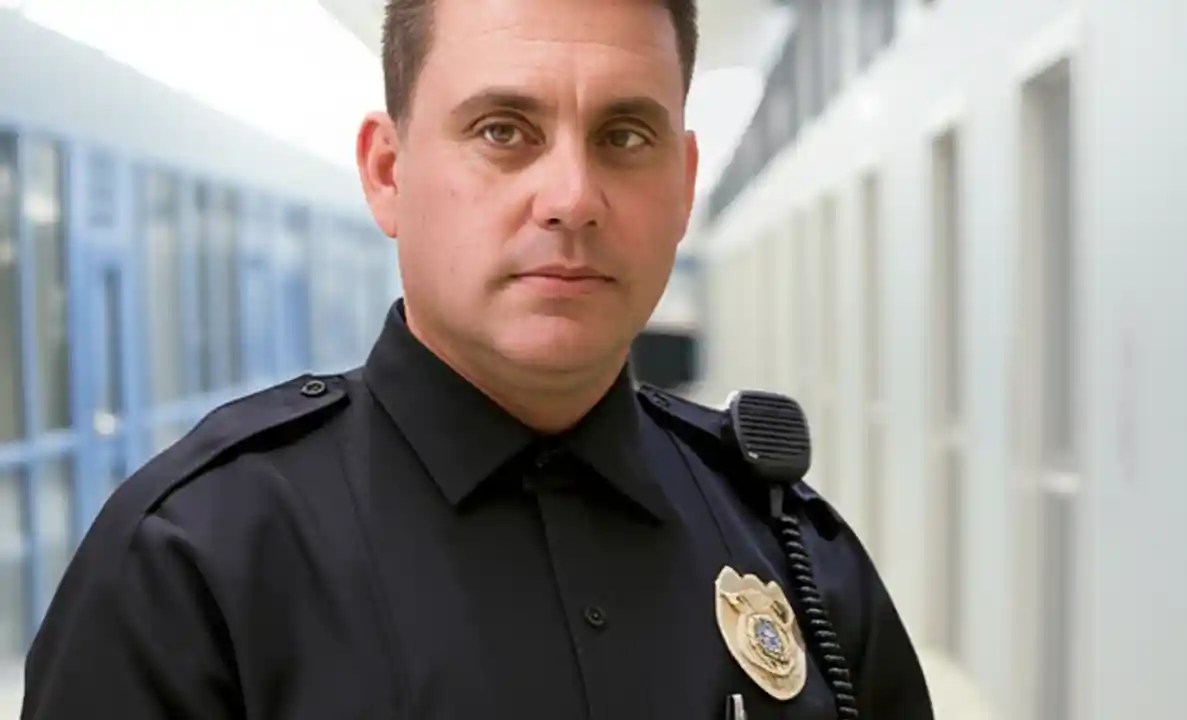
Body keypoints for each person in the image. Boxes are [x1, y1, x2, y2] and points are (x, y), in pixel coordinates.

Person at [21, 0, 934, 717]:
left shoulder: (789, 544)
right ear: (388, 172)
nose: (571, 197)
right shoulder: (192, 569)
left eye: (624, 137)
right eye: (503, 130)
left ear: (684, 183)